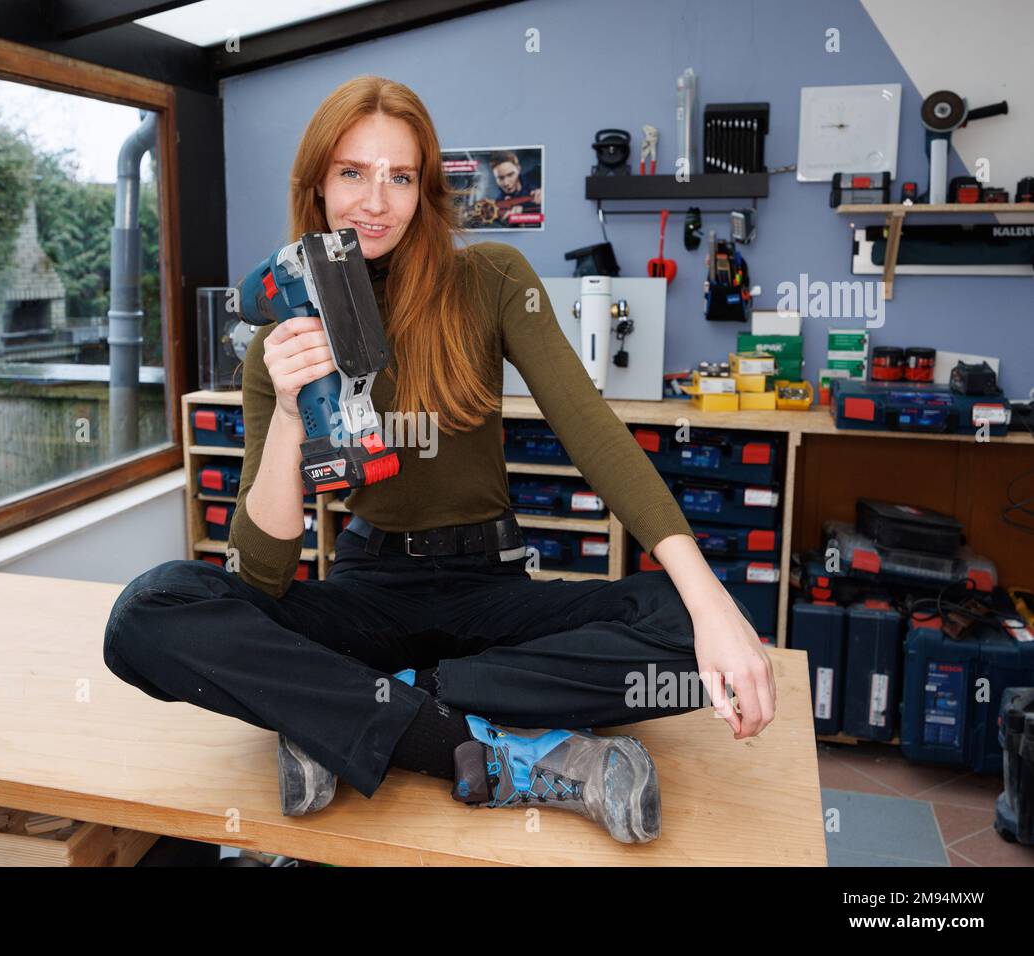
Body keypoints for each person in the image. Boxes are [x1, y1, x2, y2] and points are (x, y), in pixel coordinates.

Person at [103, 75, 776, 845]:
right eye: (353, 172)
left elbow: (592, 429)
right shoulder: (281, 335)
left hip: (492, 597)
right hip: (366, 594)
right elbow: (259, 575)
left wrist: (711, 603)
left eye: (401, 176)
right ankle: (489, 745)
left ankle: (361, 713)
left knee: (699, 643)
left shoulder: (490, 280)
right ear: (318, 183)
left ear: (425, 190)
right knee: (147, 614)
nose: (376, 200)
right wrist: (290, 415)